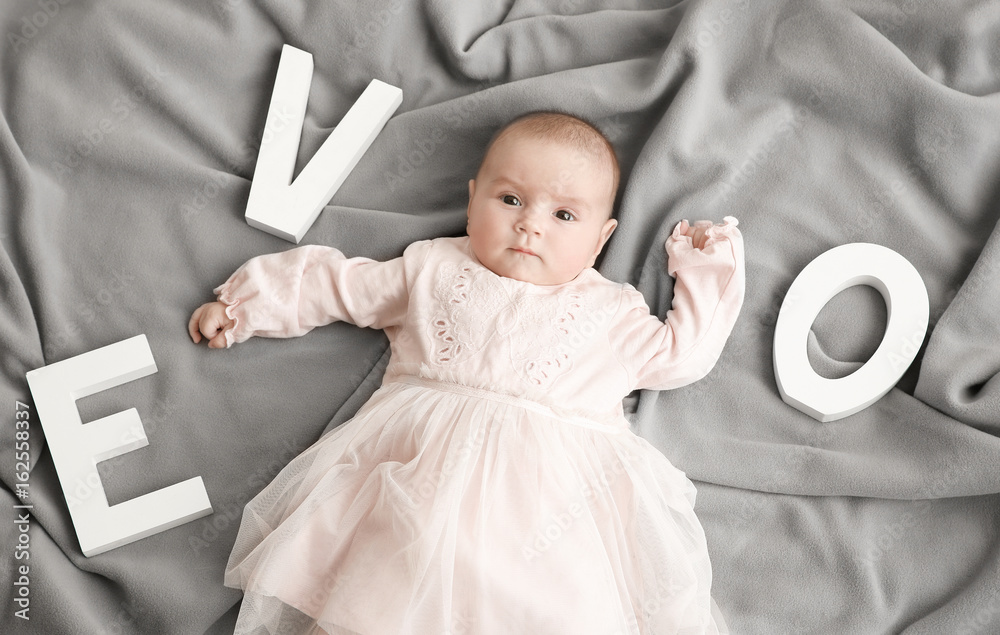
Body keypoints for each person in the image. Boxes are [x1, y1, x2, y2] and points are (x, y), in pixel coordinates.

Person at [189, 111, 744, 634]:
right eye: (510, 199)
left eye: (564, 215)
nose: (530, 225)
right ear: (472, 197)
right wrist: (244, 307)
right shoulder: (431, 269)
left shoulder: (613, 313)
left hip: (550, 528)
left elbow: (681, 354)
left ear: (601, 239)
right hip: (416, 494)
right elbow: (339, 286)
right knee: (367, 603)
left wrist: (705, 269)